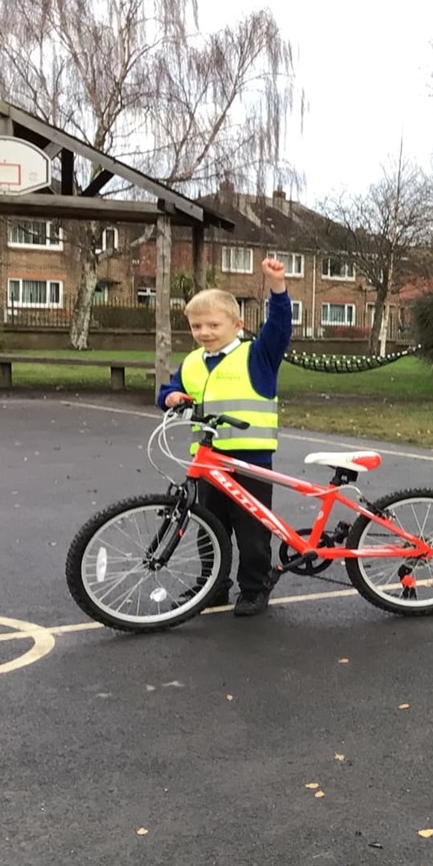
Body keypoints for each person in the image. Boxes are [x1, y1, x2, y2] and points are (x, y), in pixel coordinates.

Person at [156, 257, 293, 617]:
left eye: (214, 324)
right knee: (209, 530)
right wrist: (169, 397)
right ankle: (213, 586)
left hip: (251, 461)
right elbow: (171, 388)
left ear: (237, 324)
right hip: (209, 461)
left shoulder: (257, 355)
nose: (205, 332)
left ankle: (254, 587)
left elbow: (279, 327)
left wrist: (277, 286)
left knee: (252, 533)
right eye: (196, 325)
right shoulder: (193, 362)